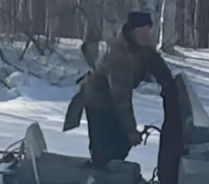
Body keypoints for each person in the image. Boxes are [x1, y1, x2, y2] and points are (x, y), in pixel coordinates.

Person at [64, 9, 176, 170]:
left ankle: (110, 175)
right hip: (98, 100)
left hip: (112, 99)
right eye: (142, 31)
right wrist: (131, 130)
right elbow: (121, 97)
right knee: (107, 148)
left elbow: (156, 63)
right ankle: (96, 182)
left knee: (121, 145)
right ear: (132, 31)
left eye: (148, 30)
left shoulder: (141, 47)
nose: (146, 34)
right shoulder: (120, 55)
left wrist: (169, 84)